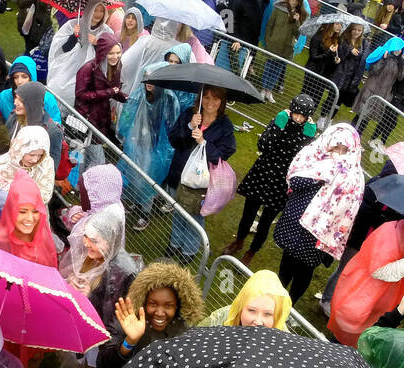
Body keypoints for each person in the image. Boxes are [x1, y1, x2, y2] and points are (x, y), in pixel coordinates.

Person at [273, 122, 365, 302]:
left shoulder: (354, 177)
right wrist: (320, 178)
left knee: (305, 269)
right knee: (287, 262)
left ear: (352, 150)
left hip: (319, 235)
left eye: (343, 149)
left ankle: (290, 304)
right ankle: (276, 298)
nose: (338, 153)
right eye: (335, 146)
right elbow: (296, 182)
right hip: (295, 222)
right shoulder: (313, 157)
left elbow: (349, 209)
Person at [225, 94, 317, 267]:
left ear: (307, 116)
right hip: (264, 171)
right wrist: (277, 126)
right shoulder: (281, 119)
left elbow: (303, 159)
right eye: (295, 114)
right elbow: (263, 145)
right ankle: (239, 241)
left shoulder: (308, 131)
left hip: (282, 181)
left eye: (302, 116)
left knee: (266, 221)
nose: (298, 118)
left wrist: (306, 137)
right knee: (248, 213)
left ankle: (252, 251)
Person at [328, 218, 404, 347]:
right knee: (350, 323)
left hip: (389, 301)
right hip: (367, 290)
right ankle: (334, 348)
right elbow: (378, 270)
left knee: (371, 331)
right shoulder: (392, 230)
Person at [96, 260, 205, 368]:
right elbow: (103, 366)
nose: (159, 312)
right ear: (143, 301)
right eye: (153, 304)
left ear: (177, 307)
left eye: (168, 306)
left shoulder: (184, 334)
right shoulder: (126, 322)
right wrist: (129, 343)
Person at [166, 86, 236, 262]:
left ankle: (189, 249)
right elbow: (174, 140)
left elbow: (224, 153)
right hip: (180, 173)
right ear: (200, 98)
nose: (210, 103)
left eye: (215, 99)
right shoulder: (190, 113)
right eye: (206, 97)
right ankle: (175, 243)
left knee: (195, 215)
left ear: (222, 101)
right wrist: (190, 126)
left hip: (201, 181)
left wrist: (203, 142)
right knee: (178, 210)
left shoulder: (225, 125)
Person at [117, 60, 181, 230]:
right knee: (132, 174)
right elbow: (127, 117)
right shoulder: (139, 94)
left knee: (148, 179)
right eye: (146, 78)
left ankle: (145, 213)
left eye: (153, 79)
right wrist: (125, 136)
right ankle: (132, 202)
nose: (149, 83)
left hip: (155, 147)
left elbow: (171, 125)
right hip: (135, 143)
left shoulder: (168, 98)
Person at [59, 206, 136, 331]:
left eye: (94, 240)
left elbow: (111, 317)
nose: (86, 243)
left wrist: (89, 296)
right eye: (85, 236)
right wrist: (72, 281)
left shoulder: (120, 273)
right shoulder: (94, 255)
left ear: (110, 241)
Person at [0, 171, 58, 268]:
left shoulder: (41, 236)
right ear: (10, 211)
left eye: (35, 212)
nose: (30, 219)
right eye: (22, 212)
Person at [47, 1, 114, 105]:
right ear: (89, 11)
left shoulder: (106, 31)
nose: (98, 14)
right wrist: (73, 37)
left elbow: (109, 57)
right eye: (95, 10)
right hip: (70, 67)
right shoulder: (73, 25)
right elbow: (61, 50)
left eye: (101, 11)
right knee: (58, 87)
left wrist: (97, 44)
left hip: (91, 71)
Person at [74, 32, 125, 139]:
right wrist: (108, 92)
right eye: (111, 53)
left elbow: (113, 90)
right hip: (86, 119)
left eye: (118, 52)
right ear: (102, 53)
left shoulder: (117, 67)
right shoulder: (88, 68)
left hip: (102, 118)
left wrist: (125, 97)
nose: (115, 57)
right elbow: (80, 94)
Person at [5, 81, 63, 167]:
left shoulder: (52, 132)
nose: (15, 103)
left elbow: (51, 169)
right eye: (15, 98)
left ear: (32, 103)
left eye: (20, 100)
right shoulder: (14, 117)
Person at [0, 126, 55, 203]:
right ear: (20, 149)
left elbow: (45, 194)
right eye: (31, 154)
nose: (35, 160)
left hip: (32, 211)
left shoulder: (46, 163)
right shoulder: (0, 164)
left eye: (40, 155)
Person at [0, 56, 63, 129]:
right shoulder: (3, 97)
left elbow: (55, 127)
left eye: (24, 77)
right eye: (16, 77)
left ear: (32, 77)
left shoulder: (47, 98)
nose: (19, 81)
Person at [330, 23, 367, 110]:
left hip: (351, 76)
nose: (356, 32)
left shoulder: (363, 43)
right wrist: (350, 49)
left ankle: (331, 118)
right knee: (333, 96)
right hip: (341, 72)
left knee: (340, 99)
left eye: (359, 30)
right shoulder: (343, 39)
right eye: (355, 29)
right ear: (351, 29)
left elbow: (362, 59)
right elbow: (339, 55)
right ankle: (323, 117)